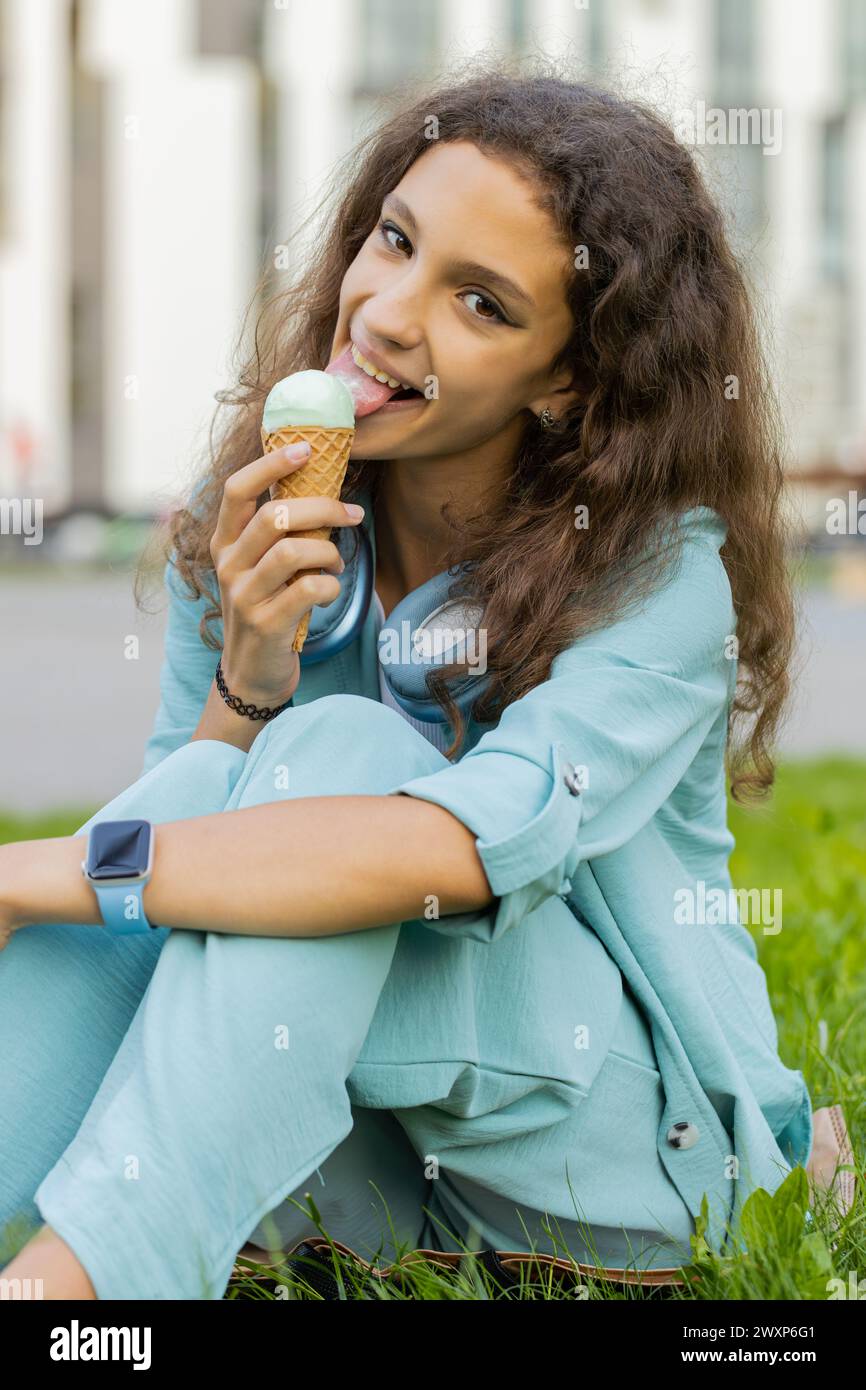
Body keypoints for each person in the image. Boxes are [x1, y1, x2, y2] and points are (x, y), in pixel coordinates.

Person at [0, 67, 812, 1301]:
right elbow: (176, 848)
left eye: (478, 302)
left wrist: (41, 871)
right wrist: (251, 672)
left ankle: (72, 1296)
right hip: (360, 1174)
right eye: (393, 240)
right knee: (199, 827)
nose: (382, 312)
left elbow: (456, 850)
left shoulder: (656, 574)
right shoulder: (257, 519)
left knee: (341, 767)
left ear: (568, 383)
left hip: (610, 1167)